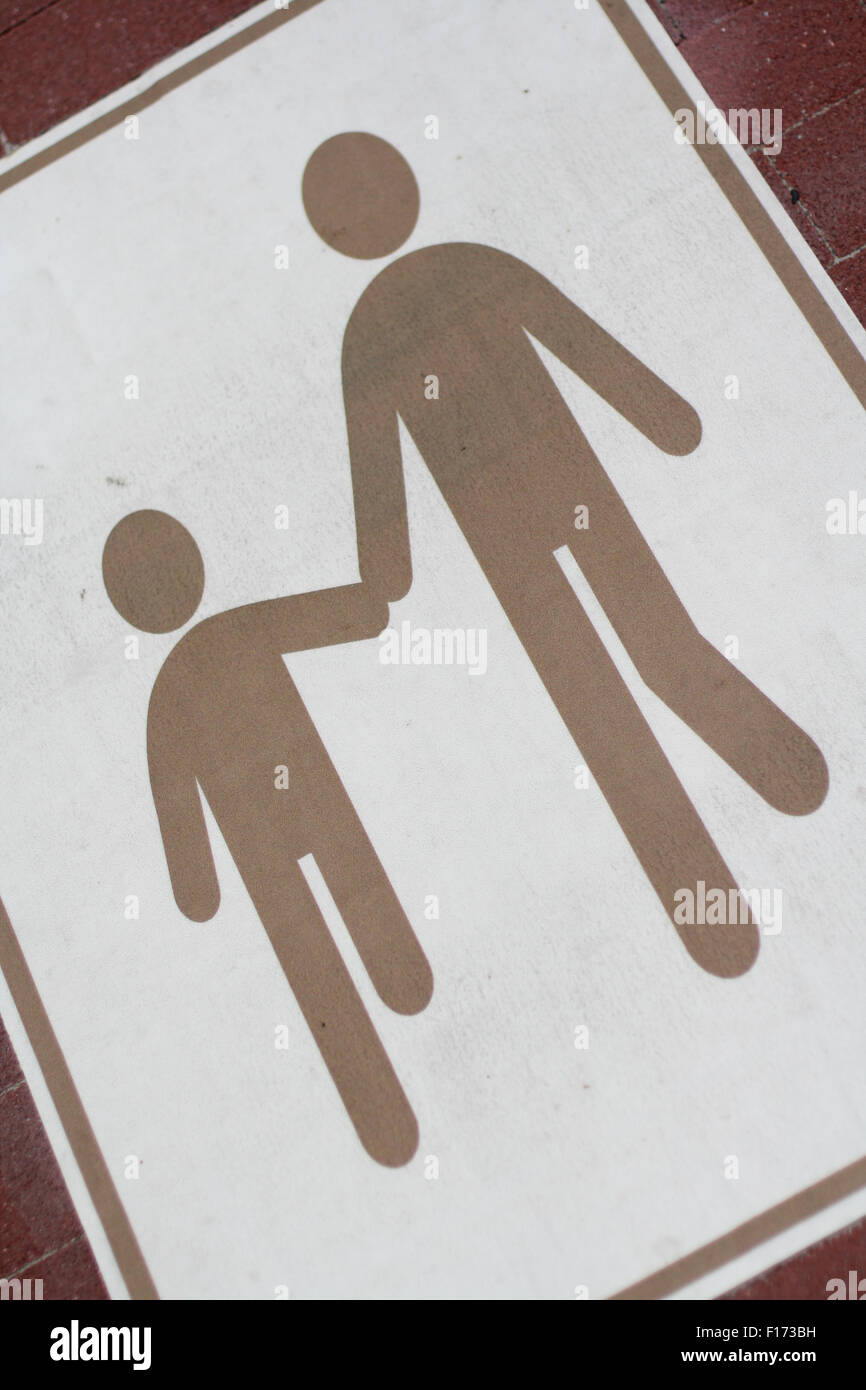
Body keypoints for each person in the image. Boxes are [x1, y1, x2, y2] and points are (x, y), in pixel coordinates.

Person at [303, 131, 829, 979]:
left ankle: (702, 887)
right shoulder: (471, 268)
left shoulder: (369, 332)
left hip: (505, 533)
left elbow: (381, 479)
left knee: (596, 697)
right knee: (661, 644)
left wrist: (386, 575)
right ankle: (783, 774)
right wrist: (664, 418)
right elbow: (577, 344)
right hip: (573, 493)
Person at [102, 508, 432, 1167]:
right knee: (356, 928)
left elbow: (177, 809)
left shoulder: (169, 692)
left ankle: (380, 1103)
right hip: (315, 804)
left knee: (317, 969)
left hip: (265, 846)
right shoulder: (235, 634)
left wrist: (198, 887)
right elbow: (362, 614)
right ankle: (404, 998)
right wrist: (371, 602)